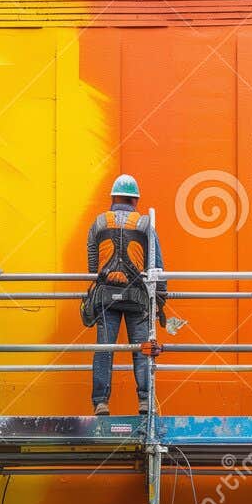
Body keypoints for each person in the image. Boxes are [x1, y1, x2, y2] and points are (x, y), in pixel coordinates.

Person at [84, 174, 164, 416]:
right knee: (142, 350)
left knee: (104, 349)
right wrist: (160, 299)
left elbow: (93, 265)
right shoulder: (145, 224)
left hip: (106, 297)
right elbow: (157, 266)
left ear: (113, 197)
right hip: (137, 298)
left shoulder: (99, 222)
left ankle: (100, 402)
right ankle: (145, 400)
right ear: (135, 200)